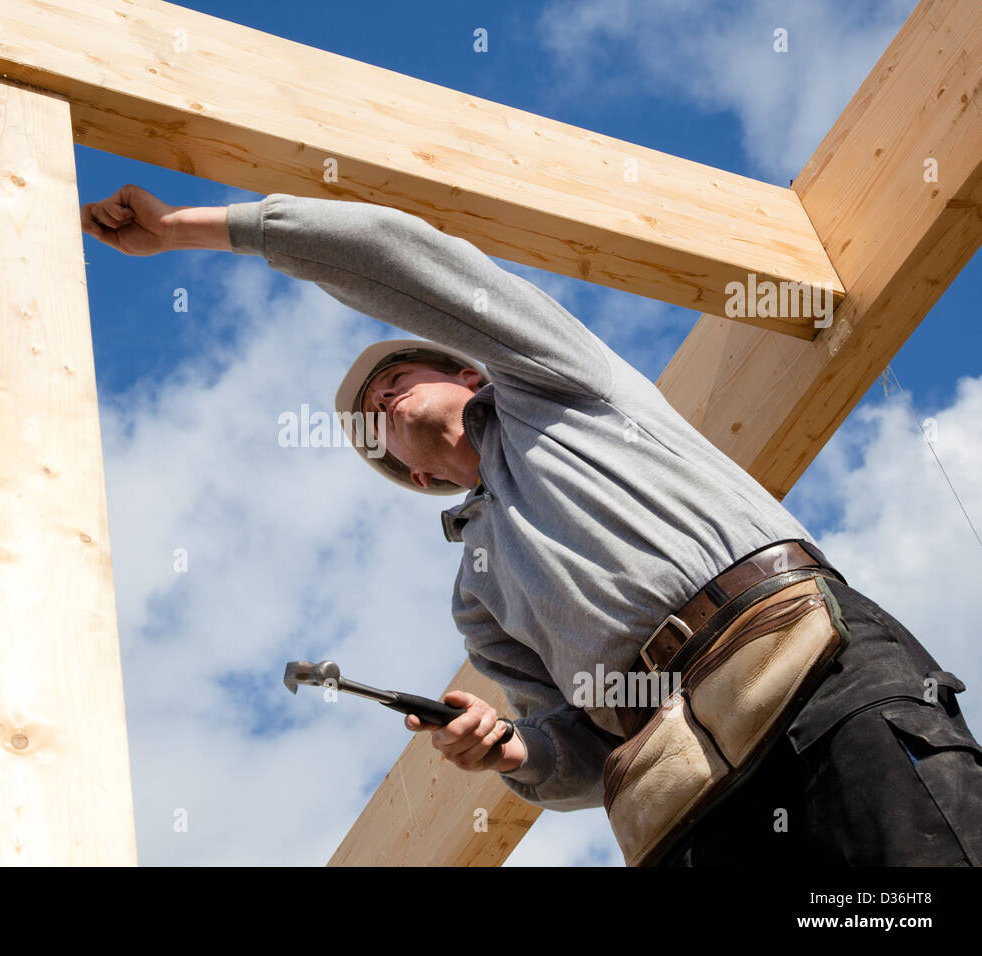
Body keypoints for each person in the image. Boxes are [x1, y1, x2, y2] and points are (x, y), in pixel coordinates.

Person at [81, 184, 982, 866]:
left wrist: (193, 230)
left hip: (808, 675)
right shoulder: (480, 593)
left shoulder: (556, 384)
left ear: (470, 373)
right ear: (421, 477)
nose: (378, 398)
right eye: (371, 420)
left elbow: (391, 252)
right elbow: (578, 754)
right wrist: (511, 748)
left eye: (395, 377)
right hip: (694, 806)